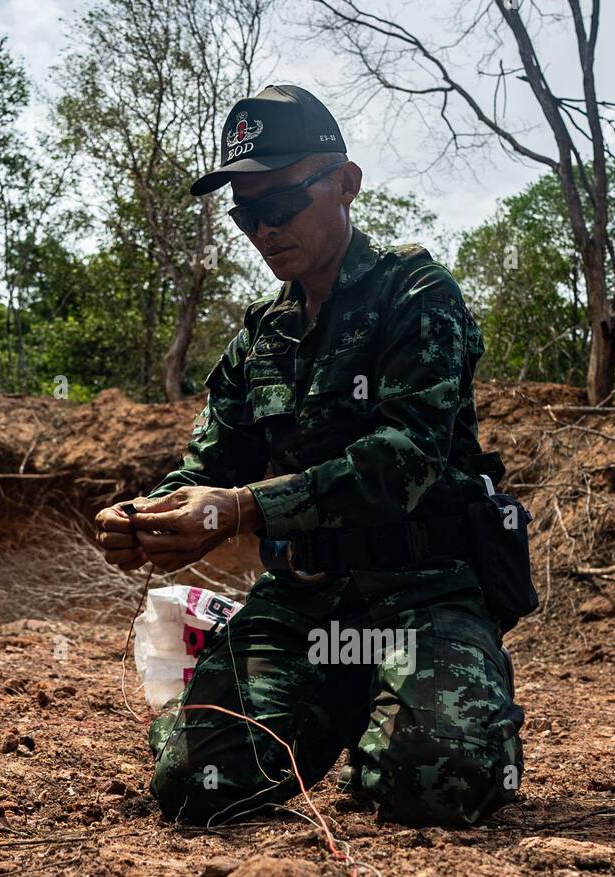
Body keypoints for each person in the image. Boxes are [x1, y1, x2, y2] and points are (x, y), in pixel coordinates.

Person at [95, 83, 525, 827]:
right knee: (195, 786)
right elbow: (211, 462)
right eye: (245, 213)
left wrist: (242, 508)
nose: (263, 229)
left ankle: (426, 706)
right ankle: (341, 707)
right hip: (303, 603)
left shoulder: (416, 294)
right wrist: (150, 512)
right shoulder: (260, 337)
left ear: (345, 183)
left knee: (432, 783)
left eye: (282, 204)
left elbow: (403, 458)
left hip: (422, 592)